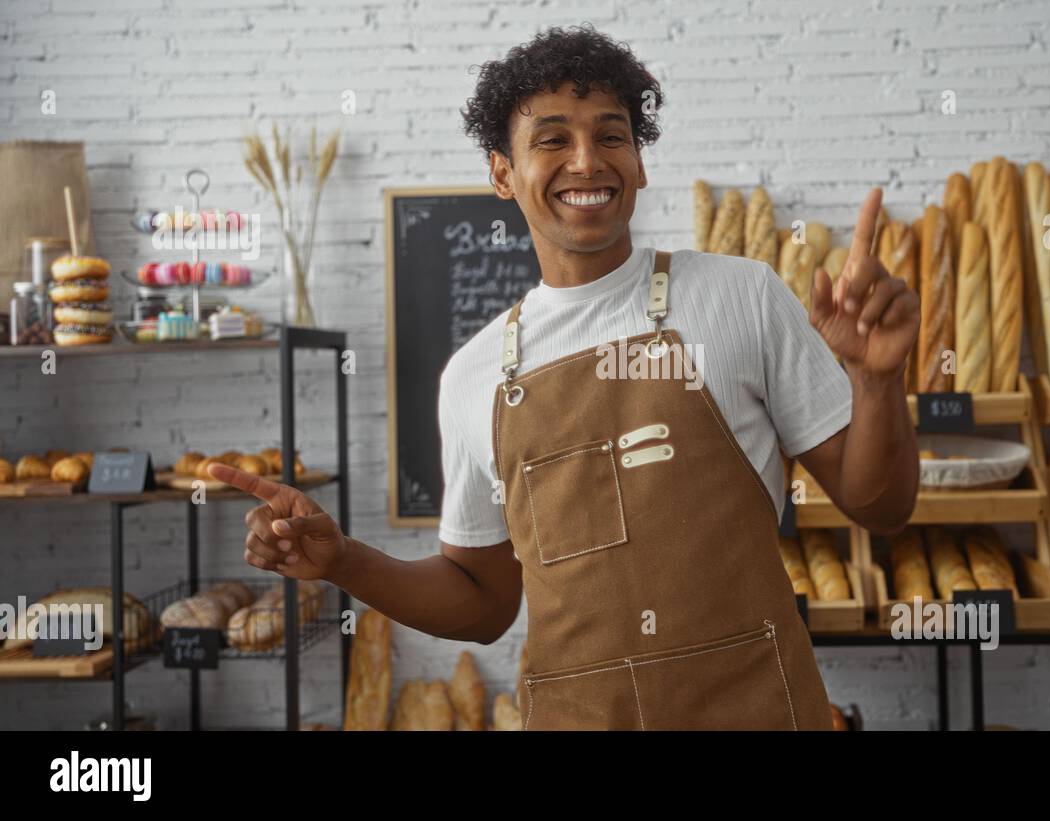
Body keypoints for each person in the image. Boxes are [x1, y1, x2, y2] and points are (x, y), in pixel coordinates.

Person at [211, 25, 919, 730]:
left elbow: (879, 505)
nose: (587, 161)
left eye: (611, 136)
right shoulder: (475, 376)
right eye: (552, 140)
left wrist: (879, 382)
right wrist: (345, 561)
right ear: (502, 173)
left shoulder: (742, 297)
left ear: (639, 163)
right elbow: (484, 602)